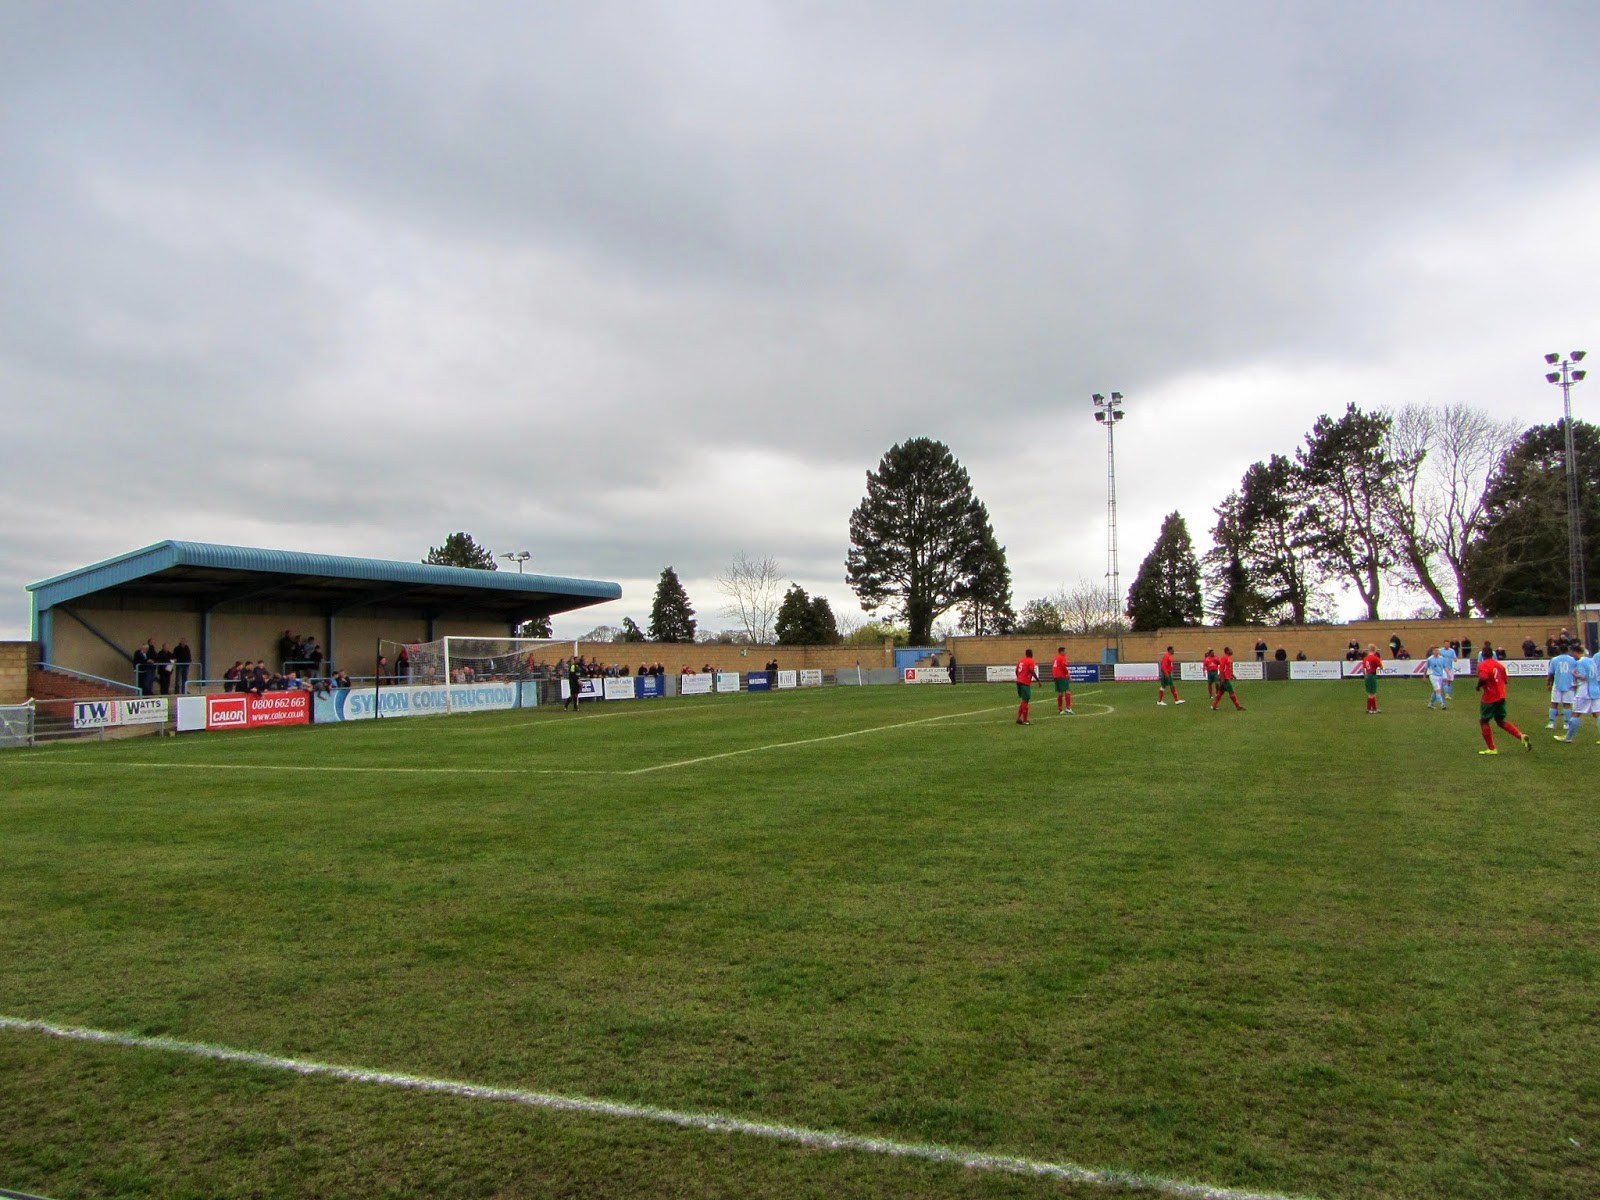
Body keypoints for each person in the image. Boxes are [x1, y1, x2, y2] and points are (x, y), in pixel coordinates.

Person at [1475, 641, 1530, 754]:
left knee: (1484, 721)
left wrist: (1478, 686)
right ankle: (1520, 736)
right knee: (1500, 721)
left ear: (1483, 655)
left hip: (1489, 697)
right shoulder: (1500, 666)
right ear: (1492, 654)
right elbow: (1505, 681)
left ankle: (1492, 748)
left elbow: (1483, 678)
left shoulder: (1483, 665)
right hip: (1501, 696)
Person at [1547, 644, 1579, 741]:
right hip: (1569, 685)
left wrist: (1548, 684)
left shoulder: (1554, 659)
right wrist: (1576, 683)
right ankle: (1566, 724)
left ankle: (1551, 723)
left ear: (1559, 650)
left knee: (1554, 703)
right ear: (1567, 650)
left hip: (1557, 684)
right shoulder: (1573, 660)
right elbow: (1576, 672)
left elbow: (1550, 673)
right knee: (1567, 705)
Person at [1573, 646, 1600, 742]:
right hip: (1595, 690)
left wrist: (1574, 675)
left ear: (1576, 652)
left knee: (1576, 713)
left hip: (1584, 692)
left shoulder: (1580, 662)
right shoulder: (1592, 661)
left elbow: (1584, 677)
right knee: (1598, 714)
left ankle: (1568, 737)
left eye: (1573, 653)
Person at [1211, 646, 1243, 711]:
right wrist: (1223, 678)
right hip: (1225, 679)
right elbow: (1221, 668)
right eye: (1230, 650)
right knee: (1231, 692)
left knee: (1220, 692)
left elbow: (1227, 669)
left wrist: (1232, 675)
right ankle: (1238, 706)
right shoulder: (1225, 657)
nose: (1232, 651)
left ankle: (1214, 706)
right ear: (1227, 651)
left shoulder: (1228, 658)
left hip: (1225, 678)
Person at [1015, 647, 1038, 725]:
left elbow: (1016, 670)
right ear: (1031, 654)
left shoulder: (1021, 660)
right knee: (1026, 700)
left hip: (1019, 682)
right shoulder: (1030, 661)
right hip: (1025, 683)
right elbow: (1031, 670)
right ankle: (1025, 720)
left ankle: (1019, 718)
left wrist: (1019, 677)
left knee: (1024, 700)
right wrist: (1038, 680)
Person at [1361, 643, 1384, 714]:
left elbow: (1363, 668)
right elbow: (1381, 667)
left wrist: (1365, 675)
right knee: (1372, 693)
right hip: (1372, 676)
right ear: (1374, 650)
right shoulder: (1375, 658)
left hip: (1367, 676)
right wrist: (1380, 661)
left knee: (1370, 693)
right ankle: (1371, 709)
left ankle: (1372, 708)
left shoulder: (1365, 658)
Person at [1424, 645, 1449, 710]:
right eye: (1436, 650)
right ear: (1433, 651)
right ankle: (1442, 704)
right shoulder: (1430, 659)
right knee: (1438, 691)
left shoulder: (1441, 658)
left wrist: (1448, 673)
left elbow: (1444, 667)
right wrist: (1424, 677)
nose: (1437, 651)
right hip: (1433, 676)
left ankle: (1430, 704)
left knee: (1436, 691)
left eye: (1438, 650)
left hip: (1440, 676)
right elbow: (1426, 668)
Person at [1051, 646, 1073, 715]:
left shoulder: (1055, 658)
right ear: (1061, 652)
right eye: (1065, 651)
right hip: (1061, 676)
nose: (1066, 652)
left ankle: (1060, 709)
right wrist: (1067, 674)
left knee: (1060, 692)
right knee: (1067, 691)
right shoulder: (1062, 657)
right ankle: (1068, 709)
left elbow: (1054, 667)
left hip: (1056, 676)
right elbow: (1064, 666)